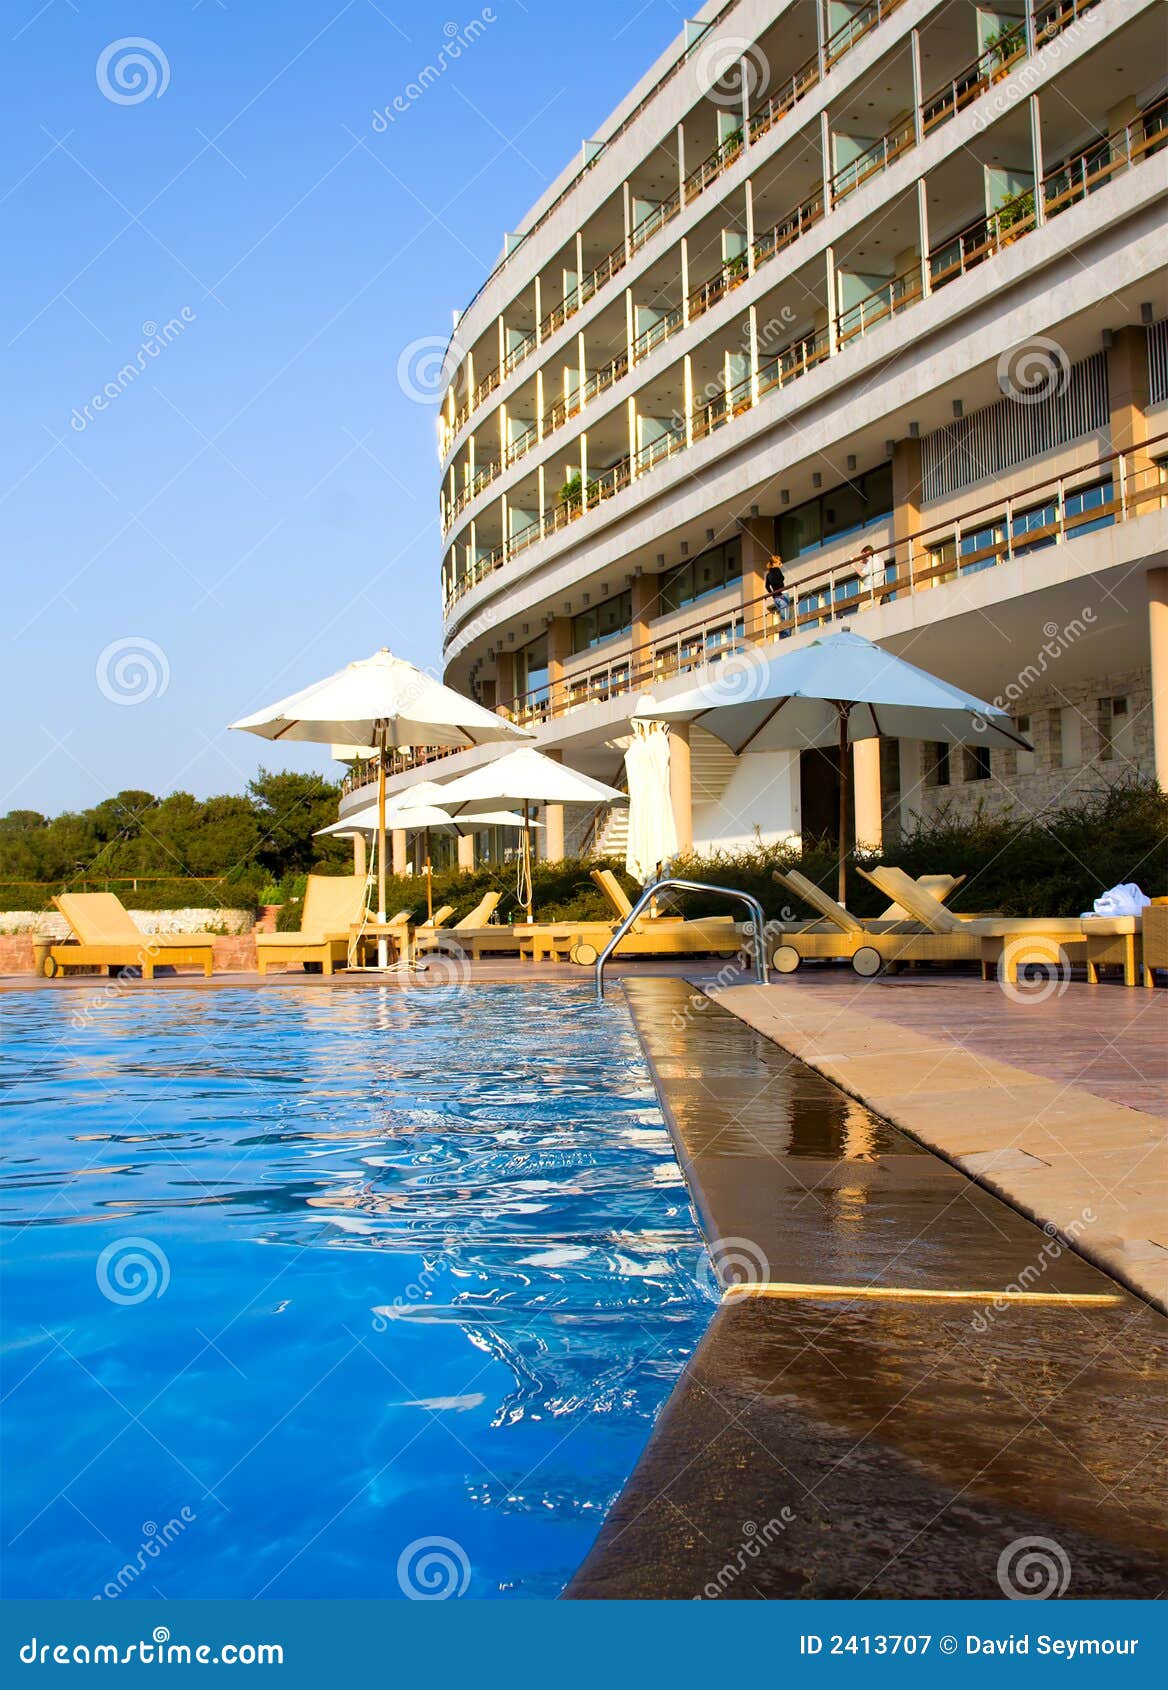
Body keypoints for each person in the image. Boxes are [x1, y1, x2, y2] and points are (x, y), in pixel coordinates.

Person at [764, 558, 790, 625]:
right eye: (779, 562)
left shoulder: (768, 574)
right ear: (774, 563)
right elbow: (782, 578)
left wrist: (773, 595)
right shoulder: (777, 570)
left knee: (782, 617)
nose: (781, 564)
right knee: (786, 617)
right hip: (782, 594)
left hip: (776, 598)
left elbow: (767, 586)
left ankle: (784, 634)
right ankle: (786, 634)